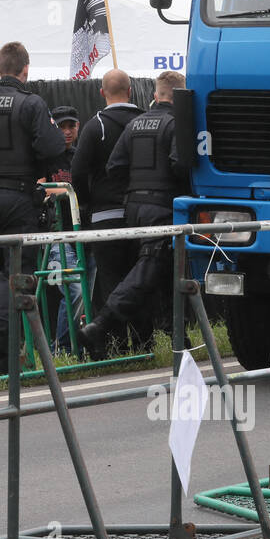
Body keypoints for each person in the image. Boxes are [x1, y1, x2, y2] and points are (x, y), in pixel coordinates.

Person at [0, 42, 64, 377]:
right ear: (25, 70)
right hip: (19, 200)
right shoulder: (31, 103)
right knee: (18, 279)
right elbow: (53, 148)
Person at [79, 70, 190, 356]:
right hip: (162, 208)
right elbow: (181, 166)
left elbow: (114, 166)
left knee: (156, 272)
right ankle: (102, 324)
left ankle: (175, 337)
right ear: (179, 96)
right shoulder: (176, 123)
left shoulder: (136, 124)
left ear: (156, 94)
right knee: (146, 271)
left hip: (132, 209)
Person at [70, 69, 142, 356]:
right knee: (138, 281)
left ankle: (113, 346)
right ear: (132, 91)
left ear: (102, 93)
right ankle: (143, 343)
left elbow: (77, 171)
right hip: (141, 218)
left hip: (104, 218)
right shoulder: (144, 121)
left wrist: (88, 204)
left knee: (110, 282)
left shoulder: (95, 125)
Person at [45, 105, 86, 350]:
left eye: (71, 126)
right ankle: (61, 349)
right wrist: (67, 191)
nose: (67, 132)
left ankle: (71, 347)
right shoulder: (45, 156)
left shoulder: (81, 155)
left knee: (83, 294)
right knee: (75, 291)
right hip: (56, 234)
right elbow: (38, 187)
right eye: (62, 127)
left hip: (81, 233)